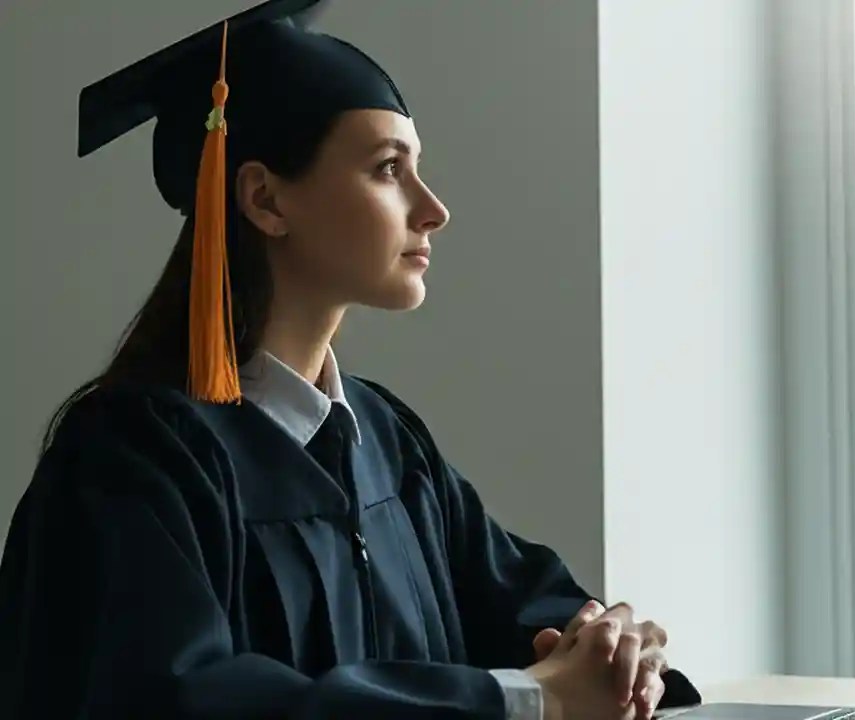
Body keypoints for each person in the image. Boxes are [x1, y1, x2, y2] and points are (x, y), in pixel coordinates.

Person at [0, 1, 700, 718]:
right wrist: (522, 700)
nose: (433, 209)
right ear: (266, 200)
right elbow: (185, 702)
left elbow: (521, 597)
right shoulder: (132, 463)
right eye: (388, 168)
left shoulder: (386, 440)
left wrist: (611, 651)